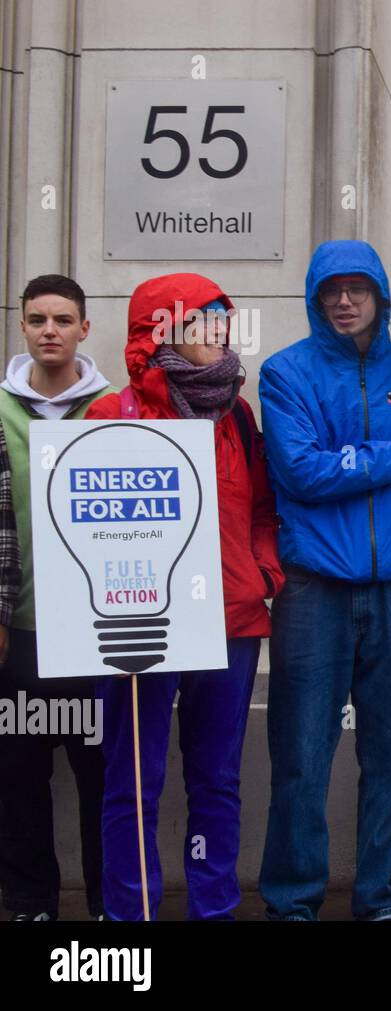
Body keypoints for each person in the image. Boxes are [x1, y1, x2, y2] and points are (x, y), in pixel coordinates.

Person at [258, 240, 391, 921]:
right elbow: (304, 474)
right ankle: (292, 902)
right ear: (315, 299)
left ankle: (377, 898)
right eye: (332, 291)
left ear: (380, 294)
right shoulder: (286, 373)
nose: (345, 301)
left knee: (390, 759)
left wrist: (383, 459)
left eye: (358, 288)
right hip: (313, 591)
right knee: (301, 759)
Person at [87, 273, 283, 920]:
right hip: (140, 624)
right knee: (132, 782)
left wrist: (263, 573)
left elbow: (261, 507)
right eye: (202, 320)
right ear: (161, 331)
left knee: (217, 782)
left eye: (223, 318)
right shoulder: (111, 414)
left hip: (231, 620)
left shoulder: (238, 411)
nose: (218, 330)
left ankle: (213, 909)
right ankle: (129, 915)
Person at [0, 274, 112, 921]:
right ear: (22, 326)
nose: (50, 330)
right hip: (18, 630)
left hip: (95, 635)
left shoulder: (116, 407)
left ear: (84, 329)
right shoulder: (0, 409)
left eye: (63, 320)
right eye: (38, 318)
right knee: (16, 777)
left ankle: (108, 904)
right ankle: (28, 903)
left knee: (102, 778)